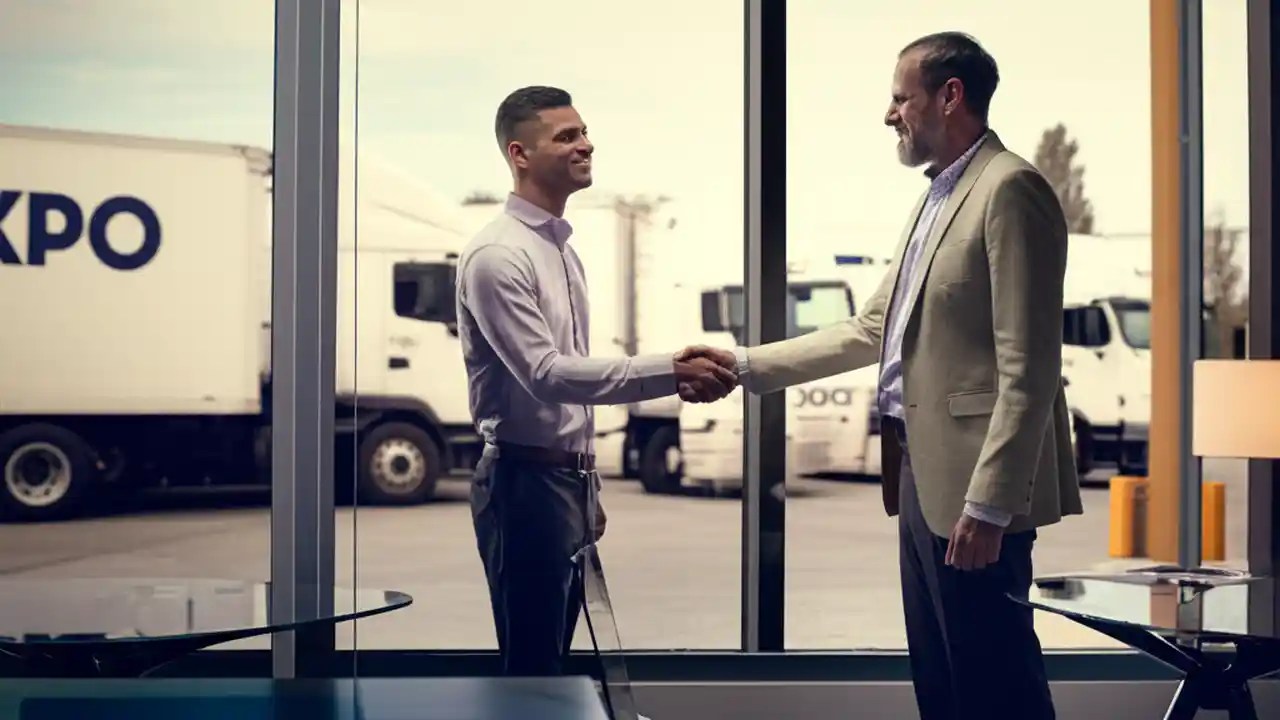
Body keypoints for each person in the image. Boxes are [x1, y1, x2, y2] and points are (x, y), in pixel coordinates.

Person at [679, 32, 1081, 719]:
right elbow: (872, 330)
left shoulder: (1010, 189)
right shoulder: (936, 199)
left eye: (901, 98)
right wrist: (742, 365)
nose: (889, 114)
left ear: (949, 96)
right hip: (920, 473)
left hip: (973, 490)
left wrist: (989, 506)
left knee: (997, 684)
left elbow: (1031, 368)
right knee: (942, 681)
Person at [455, 85, 739, 677]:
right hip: (525, 485)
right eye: (567, 136)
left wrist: (587, 484)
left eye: (584, 132)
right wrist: (669, 371)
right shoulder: (498, 256)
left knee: (553, 661)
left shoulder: (559, 250)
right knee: (533, 668)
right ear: (519, 154)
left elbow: (569, 389)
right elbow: (547, 375)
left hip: (561, 480)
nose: (586, 145)